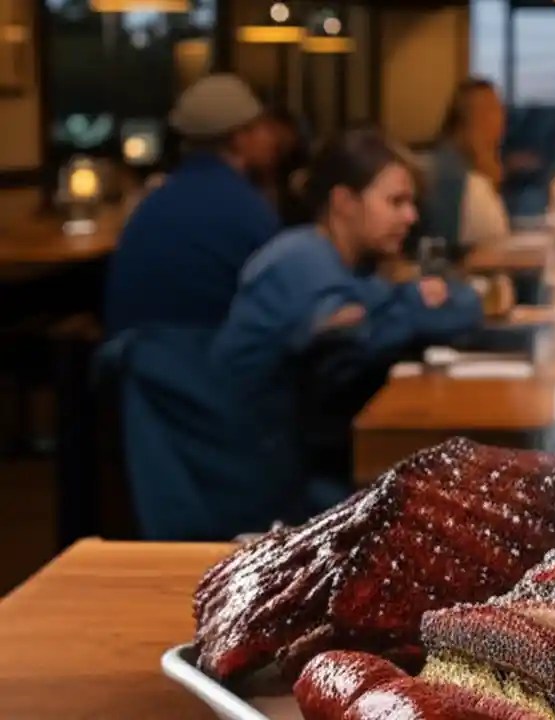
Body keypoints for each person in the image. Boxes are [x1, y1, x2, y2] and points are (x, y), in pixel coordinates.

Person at [103, 126, 484, 540]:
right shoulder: (299, 260)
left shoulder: (353, 266)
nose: (410, 216)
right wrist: (410, 303)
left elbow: (460, 308)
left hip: (294, 455)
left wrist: (406, 304)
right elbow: (355, 339)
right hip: (257, 472)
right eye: (395, 202)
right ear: (344, 202)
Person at [104, 74, 280, 338]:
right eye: (261, 127)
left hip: (134, 367)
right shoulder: (247, 210)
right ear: (239, 139)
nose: (271, 138)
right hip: (207, 371)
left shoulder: (153, 203)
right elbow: (279, 310)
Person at [418, 78, 510, 258]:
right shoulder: (466, 181)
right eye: (491, 111)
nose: (501, 120)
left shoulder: (451, 164)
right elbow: (492, 244)